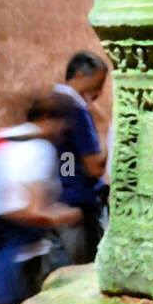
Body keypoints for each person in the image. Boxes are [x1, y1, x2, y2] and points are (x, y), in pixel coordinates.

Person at [0, 93, 84, 304]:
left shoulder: (6, 137)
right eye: (62, 121)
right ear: (46, 118)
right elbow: (31, 211)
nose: (63, 129)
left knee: (1, 301)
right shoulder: (38, 149)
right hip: (16, 241)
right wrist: (68, 215)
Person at [52, 50, 109, 262]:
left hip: (57, 200)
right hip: (79, 204)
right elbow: (94, 167)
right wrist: (104, 132)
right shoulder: (77, 111)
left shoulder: (50, 104)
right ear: (79, 75)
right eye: (99, 82)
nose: (100, 91)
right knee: (82, 270)